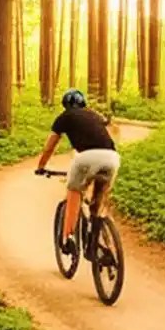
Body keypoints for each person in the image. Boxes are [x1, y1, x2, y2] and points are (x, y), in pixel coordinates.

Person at [35, 89, 120, 253]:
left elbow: (50, 146)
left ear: (65, 105)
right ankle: (104, 244)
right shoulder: (94, 115)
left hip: (86, 158)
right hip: (112, 158)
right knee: (97, 205)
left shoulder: (64, 117)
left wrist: (41, 166)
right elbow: (111, 131)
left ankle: (69, 237)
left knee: (74, 192)